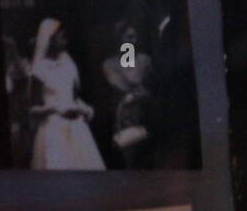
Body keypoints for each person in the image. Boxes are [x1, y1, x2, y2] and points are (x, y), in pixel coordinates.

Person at [27, 18, 105, 170]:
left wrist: (86, 108)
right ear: (50, 39)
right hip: (53, 129)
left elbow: (74, 98)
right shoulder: (39, 70)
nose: (65, 39)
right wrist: (55, 109)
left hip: (76, 127)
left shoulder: (68, 63)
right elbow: (32, 109)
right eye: (60, 36)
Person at [101, 19, 154, 168]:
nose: (133, 41)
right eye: (129, 37)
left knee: (147, 162)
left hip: (143, 116)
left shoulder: (144, 60)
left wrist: (139, 94)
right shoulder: (109, 65)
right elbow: (128, 83)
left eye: (135, 37)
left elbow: (148, 89)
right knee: (129, 162)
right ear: (118, 39)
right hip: (123, 118)